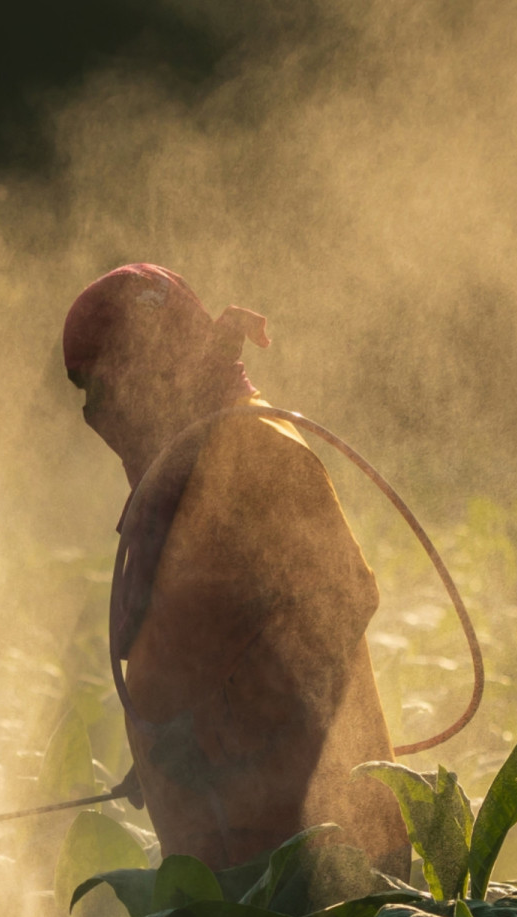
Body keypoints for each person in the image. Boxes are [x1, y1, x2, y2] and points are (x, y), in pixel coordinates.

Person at [62, 263, 409, 875]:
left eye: (111, 388)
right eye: (90, 395)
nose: (102, 414)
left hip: (315, 860)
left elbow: (336, 608)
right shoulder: (178, 472)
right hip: (230, 853)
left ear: (165, 368)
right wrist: (162, 747)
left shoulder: (256, 452)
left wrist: (215, 740)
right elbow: (200, 646)